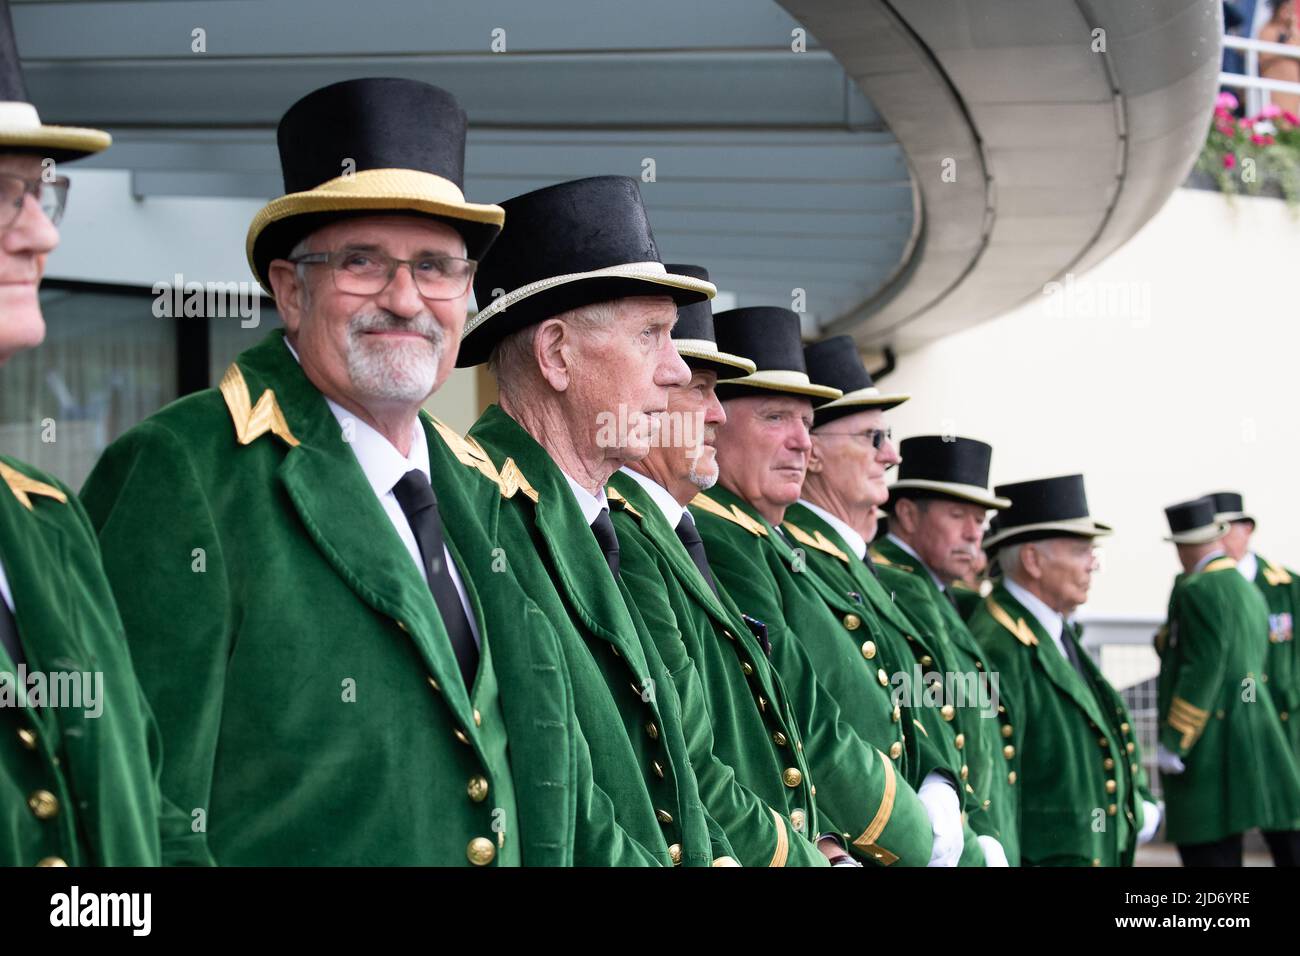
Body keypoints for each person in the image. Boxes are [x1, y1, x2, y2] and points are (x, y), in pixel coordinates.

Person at [82, 78, 580, 866]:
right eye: (361, 263)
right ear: (289, 288)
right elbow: (144, 811)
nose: (406, 298)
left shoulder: (480, 482)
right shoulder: (185, 469)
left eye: (436, 267)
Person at [462, 176, 735, 866]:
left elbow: (687, 771)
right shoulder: (478, 519)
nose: (676, 372)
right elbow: (552, 800)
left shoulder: (615, 522)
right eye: (652, 336)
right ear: (556, 354)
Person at [0, 0, 207, 867]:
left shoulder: (47, 520)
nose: (42, 232)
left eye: (42, 190)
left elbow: (148, 808)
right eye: (5, 197)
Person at [688, 309, 938, 866]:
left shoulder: (765, 539)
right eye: (776, 417)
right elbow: (800, 717)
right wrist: (913, 835)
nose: (804, 442)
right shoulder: (722, 538)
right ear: (715, 421)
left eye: (809, 420)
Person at [785, 335, 1003, 866]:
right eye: (872, 436)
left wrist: (940, 784)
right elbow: (823, 722)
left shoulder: (853, 565)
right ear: (813, 452)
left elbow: (918, 702)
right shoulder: (795, 558)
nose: (891, 453)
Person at [968, 474, 1158, 866]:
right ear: (1033, 560)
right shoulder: (997, 644)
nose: (1093, 564)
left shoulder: (1048, 627)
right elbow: (992, 781)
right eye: (1078, 550)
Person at [870, 435, 1020, 863]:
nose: (975, 533)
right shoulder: (897, 583)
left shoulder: (935, 589)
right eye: (958, 515)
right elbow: (940, 716)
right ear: (907, 513)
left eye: (981, 520)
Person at [1155, 496, 1300, 866]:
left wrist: (1176, 737)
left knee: (1208, 846)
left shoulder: (1197, 588)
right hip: (1248, 725)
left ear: (1185, 546)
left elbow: (1202, 668)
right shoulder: (1245, 586)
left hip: (1209, 738)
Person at [1210, 490, 1300, 864]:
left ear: (1246, 530)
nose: (1215, 539)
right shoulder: (1201, 587)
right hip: (1227, 728)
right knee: (1221, 835)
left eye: (1223, 528)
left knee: (1290, 834)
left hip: (1282, 727)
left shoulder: (1287, 586)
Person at [1259, 0, 1300, 114]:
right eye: (1284, 8)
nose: (1287, 12)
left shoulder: (1292, 32)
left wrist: (1292, 28)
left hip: (1292, 85)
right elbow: (1264, 56)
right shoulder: (1268, 30)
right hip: (1275, 82)